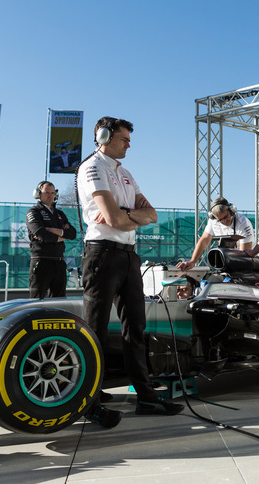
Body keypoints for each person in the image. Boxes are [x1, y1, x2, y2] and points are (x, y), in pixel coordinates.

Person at [77, 116, 184, 427]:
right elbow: (114, 220)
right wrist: (130, 216)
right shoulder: (92, 168)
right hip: (101, 254)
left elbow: (152, 214)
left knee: (135, 328)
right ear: (104, 136)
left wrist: (129, 216)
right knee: (93, 330)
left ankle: (146, 396)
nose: (128, 144)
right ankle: (89, 401)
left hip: (128, 255)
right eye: (124, 139)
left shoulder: (126, 174)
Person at [25, 180, 76, 298]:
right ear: (38, 194)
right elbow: (41, 233)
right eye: (47, 192)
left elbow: (72, 234)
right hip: (41, 262)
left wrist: (54, 231)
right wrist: (62, 236)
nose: (50, 196)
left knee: (59, 301)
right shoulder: (33, 212)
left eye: (53, 193)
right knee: (36, 301)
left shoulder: (60, 213)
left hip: (59, 262)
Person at [177, 197, 254, 272]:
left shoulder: (243, 223)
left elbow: (244, 254)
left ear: (231, 210)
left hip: (248, 263)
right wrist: (192, 261)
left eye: (226, 217)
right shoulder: (213, 221)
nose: (224, 221)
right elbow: (204, 240)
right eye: (220, 220)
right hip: (228, 263)